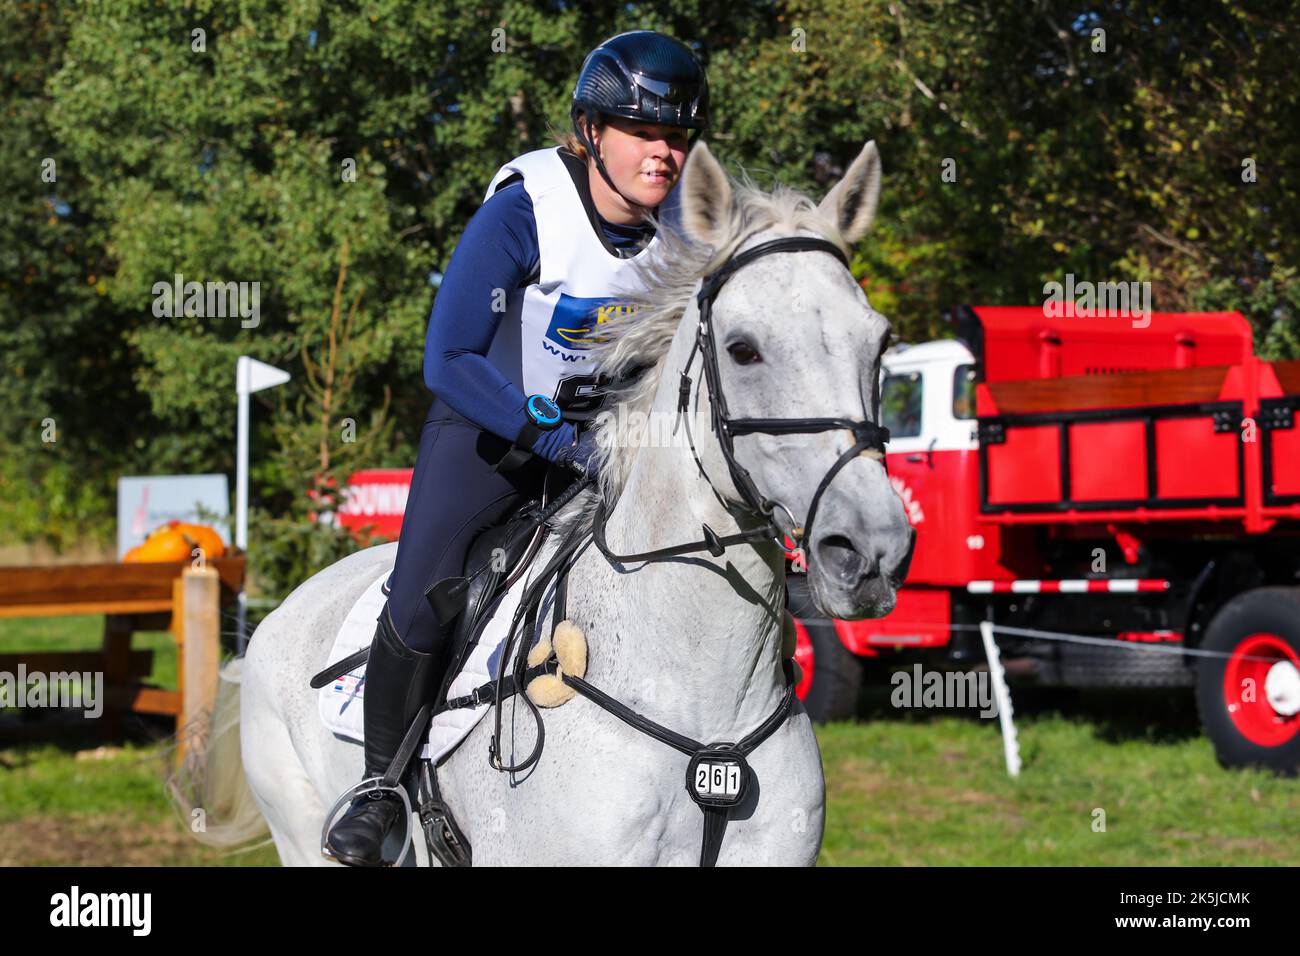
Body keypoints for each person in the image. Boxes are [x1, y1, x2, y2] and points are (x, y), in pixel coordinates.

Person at [324, 29, 709, 866]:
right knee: (426, 595)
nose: (664, 154)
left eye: (677, 137)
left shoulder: (686, 224)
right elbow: (448, 358)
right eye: (644, 133)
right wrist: (557, 440)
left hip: (613, 445)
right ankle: (379, 785)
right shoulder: (525, 208)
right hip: (492, 434)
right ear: (591, 131)